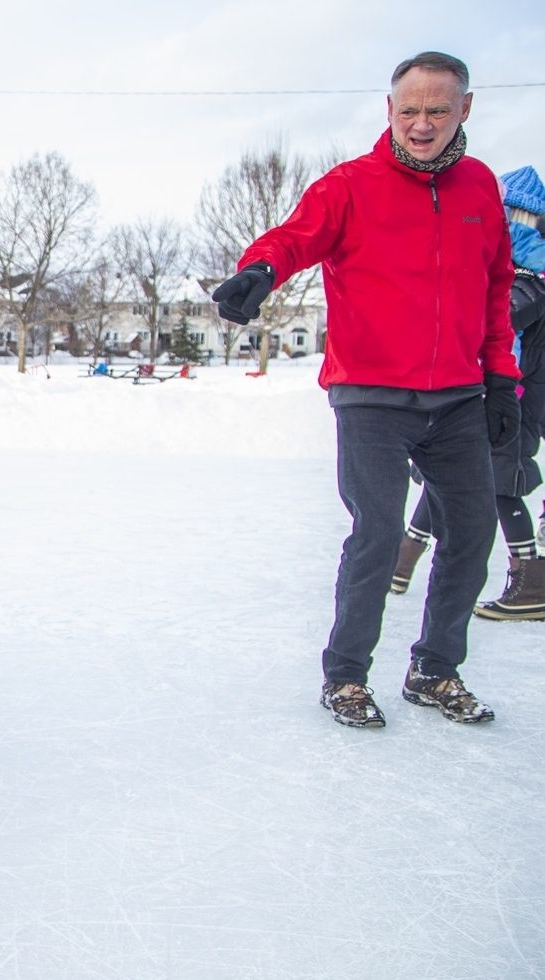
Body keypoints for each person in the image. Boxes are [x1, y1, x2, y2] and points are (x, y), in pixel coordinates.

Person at [210, 51, 517, 729]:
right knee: (377, 532)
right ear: (388, 111)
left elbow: (494, 286)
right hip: (371, 395)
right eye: (408, 109)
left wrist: (500, 377)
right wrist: (257, 272)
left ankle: (435, 669)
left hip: (460, 396)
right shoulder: (350, 185)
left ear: (464, 109)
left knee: (471, 528)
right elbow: (293, 239)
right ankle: (345, 676)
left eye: (437, 109)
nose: (420, 123)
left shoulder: (478, 188)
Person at [393, 165, 545, 619]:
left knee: (499, 484)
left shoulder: (527, 279)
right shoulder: (516, 274)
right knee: (445, 474)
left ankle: (531, 577)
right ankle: (403, 559)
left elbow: (497, 326)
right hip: (494, 398)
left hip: (508, 404)